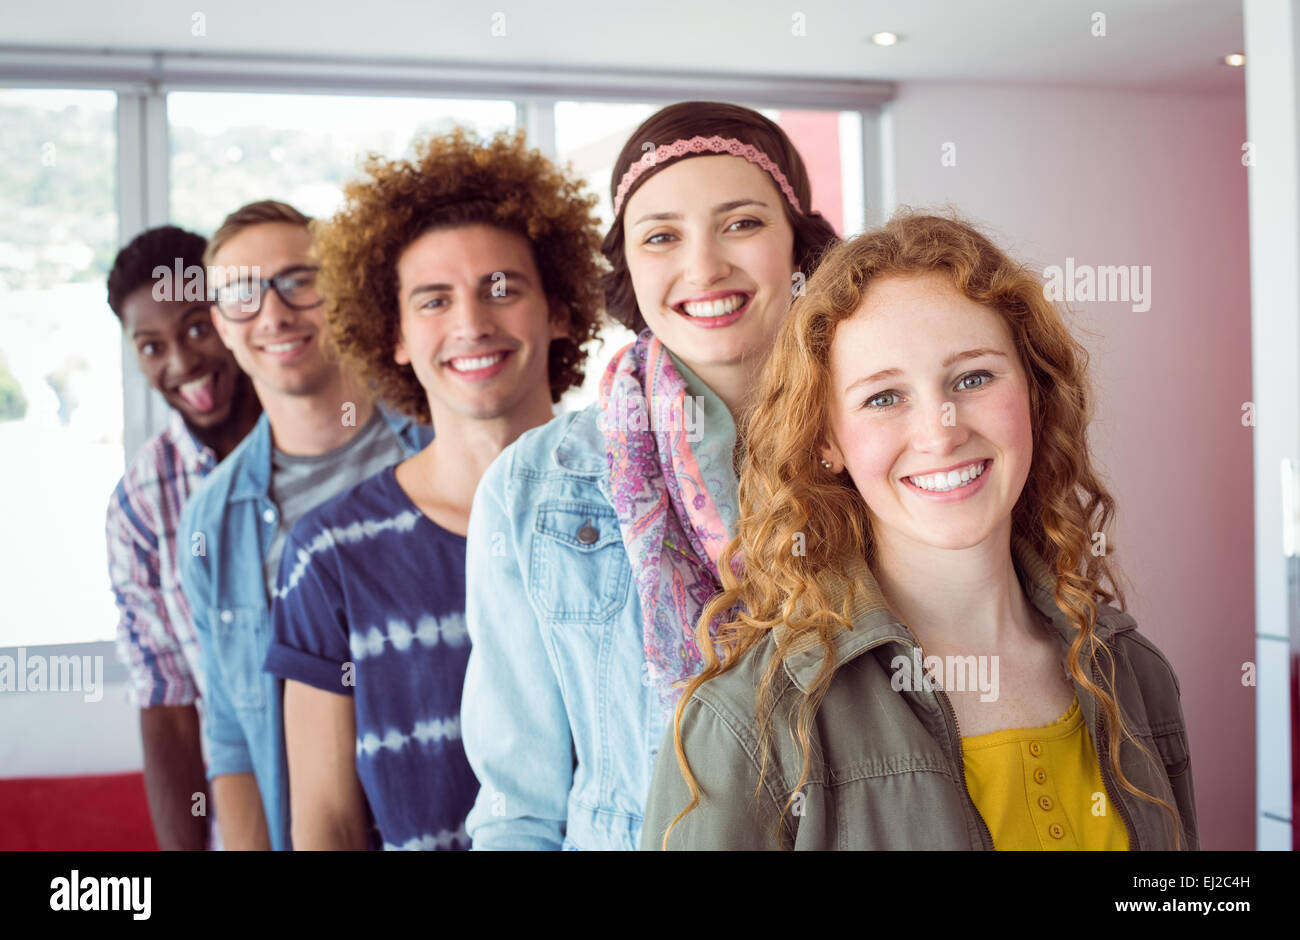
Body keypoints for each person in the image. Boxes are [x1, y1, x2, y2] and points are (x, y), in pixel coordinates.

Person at [641, 212, 1199, 850]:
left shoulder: (1132, 671)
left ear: (1036, 396)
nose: (941, 431)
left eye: (974, 378)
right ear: (826, 440)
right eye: (884, 397)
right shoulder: (744, 725)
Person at [460, 102, 839, 849]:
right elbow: (519, 811)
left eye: (742, 223)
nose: (704, 266)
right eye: (661, 236)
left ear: (800, 246)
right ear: (627, 267)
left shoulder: (886, 442)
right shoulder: (532, 487)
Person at [264, 128, 605, 850]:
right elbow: (325, 824)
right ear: (394, 334)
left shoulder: (636, 510)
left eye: (502, 288)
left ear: (562, 308)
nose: (471, 323)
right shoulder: (329, 558)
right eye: (433, 300)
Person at [178, 201, 431, 850]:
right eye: (242, 294)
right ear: (222, 327)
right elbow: (232, 735)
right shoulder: (214, 519)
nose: (273, 312)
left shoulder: (440, 443)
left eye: (299, 279)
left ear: (341, 292)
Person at [105, 225, 262, 850]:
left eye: (197, 328)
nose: (181, 364)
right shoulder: (141, 505)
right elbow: (167, 702)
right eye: (150, 347)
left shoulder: (321, 441)